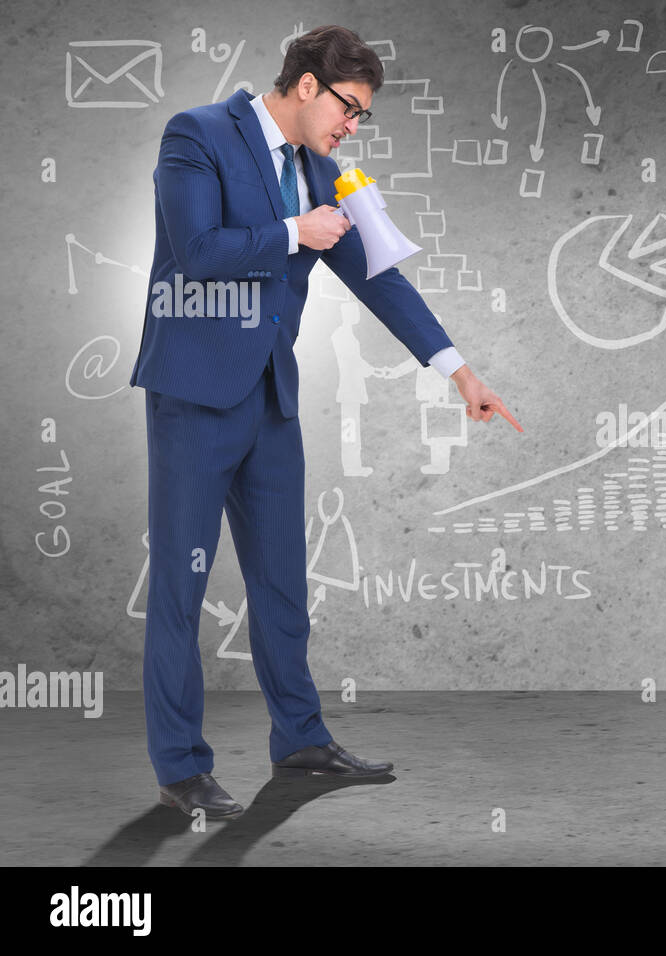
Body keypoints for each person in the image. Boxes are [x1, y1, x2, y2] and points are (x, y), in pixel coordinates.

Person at [130, 25, 519, 820]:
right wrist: (291, 233)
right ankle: (181, 767)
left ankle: (300, 740)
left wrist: (459, 371)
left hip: (271, 398)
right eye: (350, 107)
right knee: (180, 585)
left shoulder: (324, 172)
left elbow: (381, 277)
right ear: (307, 85)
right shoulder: (196, 133)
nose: (353, 125)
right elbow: (195, 250)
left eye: (361, 116)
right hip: (195, 396)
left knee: (281, 583)